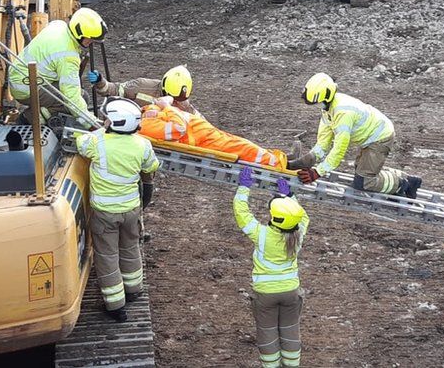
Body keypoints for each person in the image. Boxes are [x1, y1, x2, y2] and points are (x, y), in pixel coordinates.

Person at [76, 97, 160, 322]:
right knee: (131, 248)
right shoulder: (142, 144)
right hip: (131, 210)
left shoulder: (98, 143)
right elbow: (152, 166)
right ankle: (134, 290)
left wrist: (98, 131)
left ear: (113, 122)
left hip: (105, 213)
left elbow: (80, 142)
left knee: (107, 256)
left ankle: (115, 306)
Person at [289, 73, 421, 199]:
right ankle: (401, 177)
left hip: (380, 137)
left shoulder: (343, 113)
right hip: (370, 135)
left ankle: (404, 184)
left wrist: (318, 172)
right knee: (362, 170)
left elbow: (339, 149)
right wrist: (307, 160)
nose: (317, 106)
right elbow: (323, 142)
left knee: (364, 183)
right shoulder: (328, 109)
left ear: (325, 97)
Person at [234, 166, 308, 368]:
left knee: (267, 332)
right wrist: (290, 197)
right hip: (291, 292)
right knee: (290, 329)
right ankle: (292, 365)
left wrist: (243, 188)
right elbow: (303, 217)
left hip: (265, 295)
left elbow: (241, 213)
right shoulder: (298, 235)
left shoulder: (262, 235)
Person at [7, 7, 107, 127]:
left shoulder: (59, 26)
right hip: (25, 89)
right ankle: (31, 117)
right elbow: (71, 95)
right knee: (82, 97)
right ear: (79, 34)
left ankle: (41, 112)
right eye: (89, 39)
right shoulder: (68, 56)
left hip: (19, 77)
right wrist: (90, 123)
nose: (90, 42)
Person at [138, 103, 287, 169]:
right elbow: (179, 128)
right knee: (242, 148)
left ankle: (279, 157)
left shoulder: (144, 114)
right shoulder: (143, 125)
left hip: (201, 132)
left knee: (241, 144)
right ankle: (280, 163)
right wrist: (167, 106)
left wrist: (155, 109)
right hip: (200, 140)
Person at [89, 65, 200, 115]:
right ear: (163, 88)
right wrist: (100, 81)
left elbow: (199, 121)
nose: (173, 101)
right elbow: (113, 89)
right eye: (171, 97)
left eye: (177, 99)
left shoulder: (183, 103)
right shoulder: (141, 86)